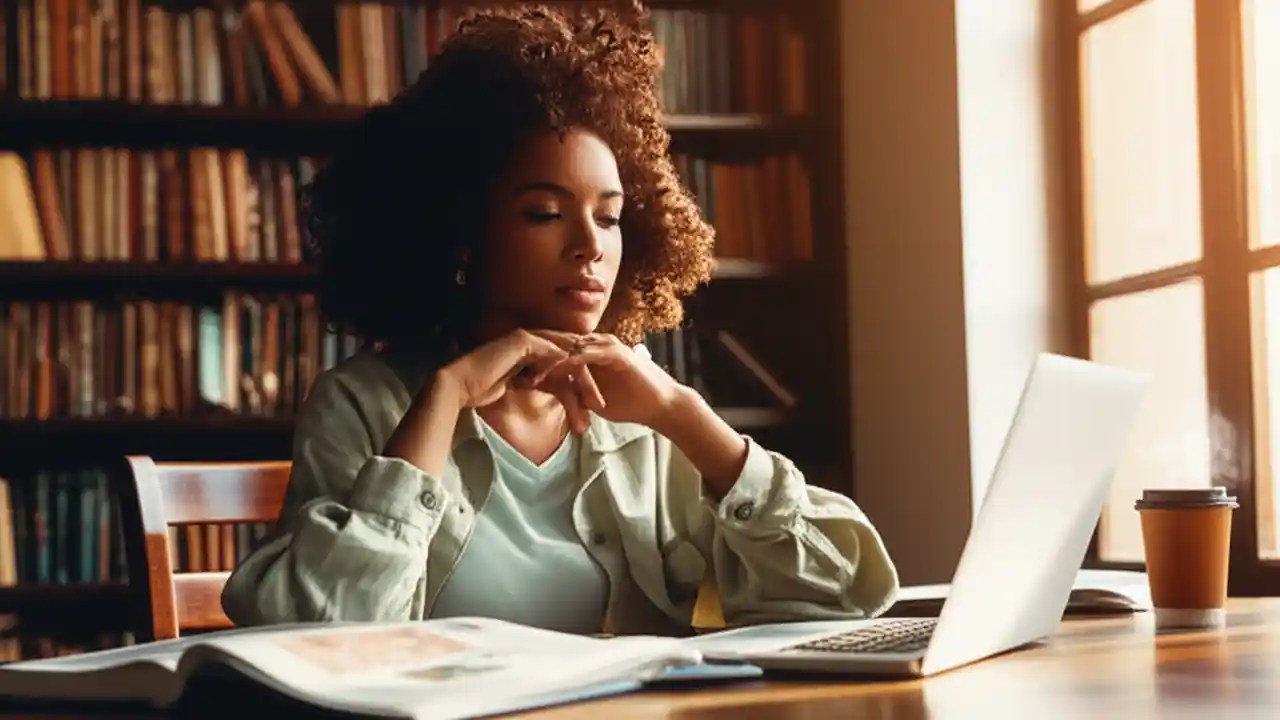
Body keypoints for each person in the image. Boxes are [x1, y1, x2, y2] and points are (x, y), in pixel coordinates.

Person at [221, 1, 898, 636]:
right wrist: (445, 396)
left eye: (609, 217)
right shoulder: (362, 405)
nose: (590, 245)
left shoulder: (642, 413)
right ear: (463, 232)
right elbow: (318, 633)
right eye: (545, 213)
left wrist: (684, 415)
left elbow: (846, 596)